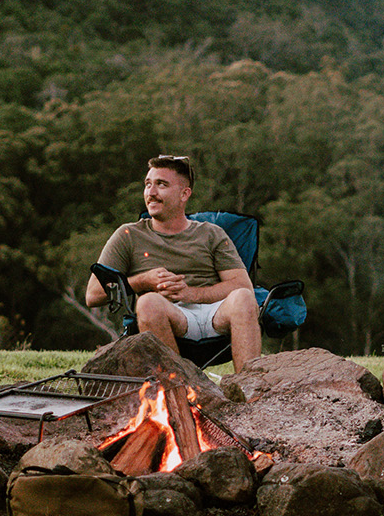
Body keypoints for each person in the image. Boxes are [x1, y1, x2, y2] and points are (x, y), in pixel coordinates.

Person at [85, 155, 260, 370]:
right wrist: (143, 281)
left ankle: (248, 390)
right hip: (172, 316)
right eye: (148, 184)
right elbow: (93, 295)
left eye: (161, 184)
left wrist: (193, 294)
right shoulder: (129, 235)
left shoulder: (211, 234)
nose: (151, 193)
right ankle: (181, 390)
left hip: (216, 314)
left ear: (184, 194)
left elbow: (242, 285)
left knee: (243, 298)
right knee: (148, 303)